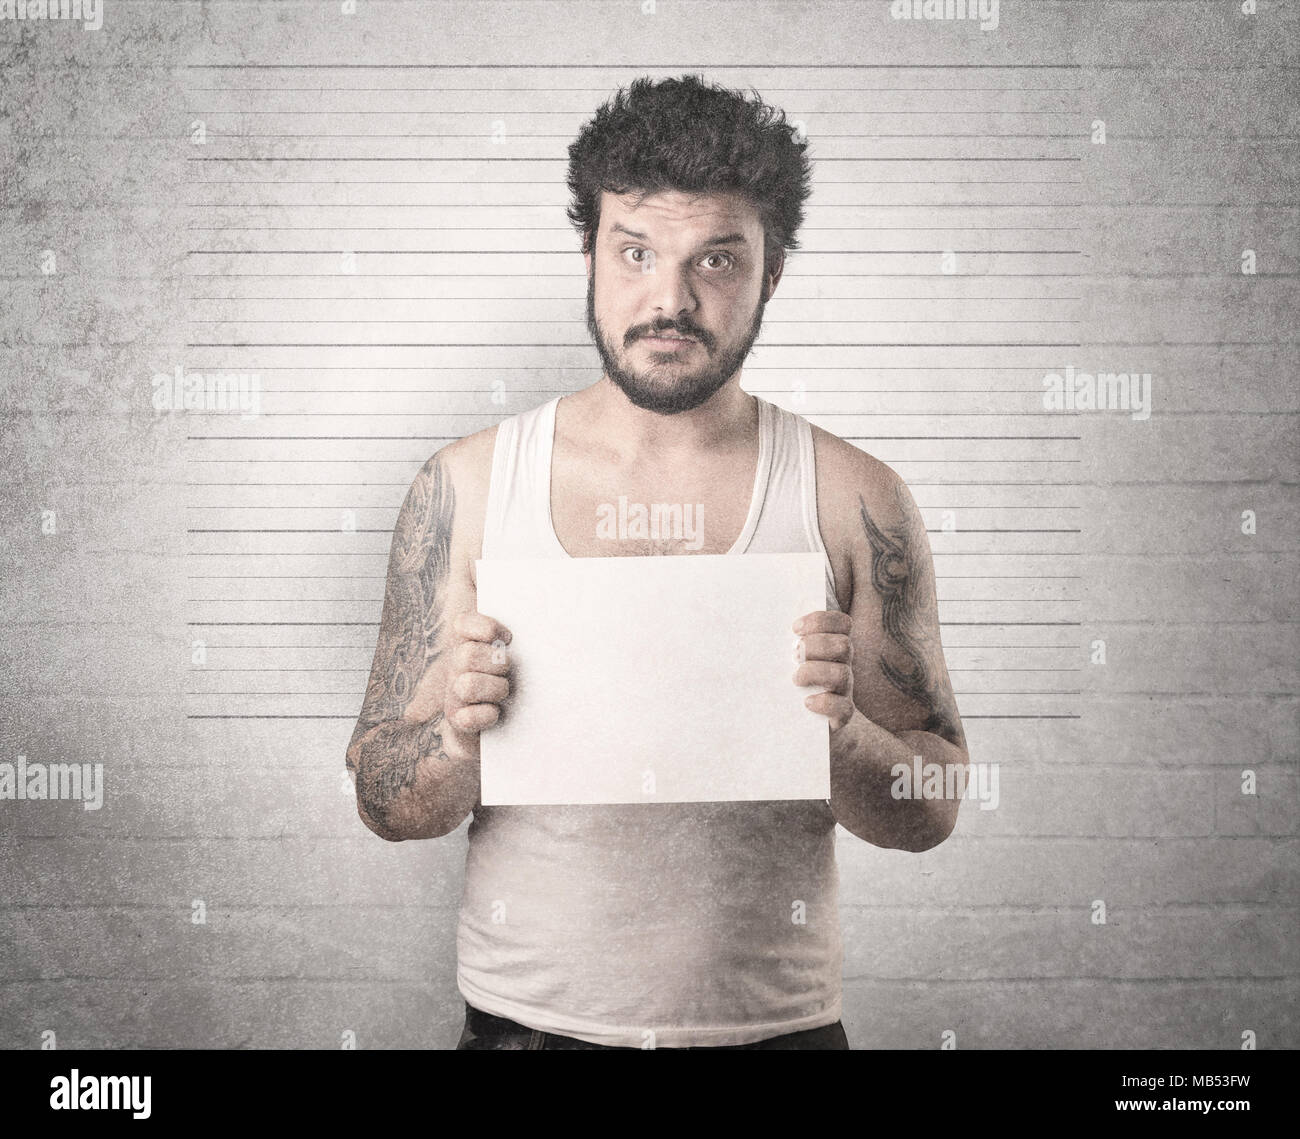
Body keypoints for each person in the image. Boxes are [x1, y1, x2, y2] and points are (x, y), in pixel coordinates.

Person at [345, 75, 969, 1051]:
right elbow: (381, 793)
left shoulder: (855, 497)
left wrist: (841, 734)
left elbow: (934, 805)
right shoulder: (465, 484)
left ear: (771, 273)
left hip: (778, 1032)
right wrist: (460, 742)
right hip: (525, 1029)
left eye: (716, 259)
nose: (668, 299)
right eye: (634, 251)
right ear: (588, 253)